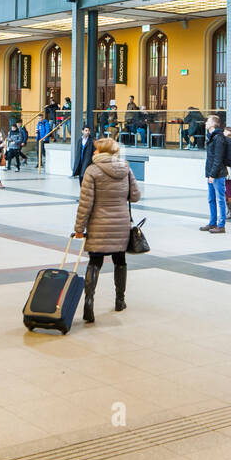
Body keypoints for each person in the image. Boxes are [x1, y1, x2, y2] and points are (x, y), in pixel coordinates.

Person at [74, 136, 141, 323]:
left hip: (98, 225)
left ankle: (89, 302)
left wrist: (79, 228)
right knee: (120, 261)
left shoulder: (92, 171)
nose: (94, 151)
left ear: (102, 151)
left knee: (94, 262)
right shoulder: (125, 169)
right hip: (120, 224)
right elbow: (135, 196)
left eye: (97, 149)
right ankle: (120, 300)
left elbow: (85, 204)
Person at [201, 113, 229, 233]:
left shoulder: (218, 138)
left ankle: (221, 225)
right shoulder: (212, 137)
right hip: (211, 173)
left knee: (220, 199)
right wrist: (209, 174)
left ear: (213, 123)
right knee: (211, 199)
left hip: (218, 174)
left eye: (207, 121)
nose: (205, 123)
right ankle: (212, 223)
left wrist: (212, 174)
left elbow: (218, 158)